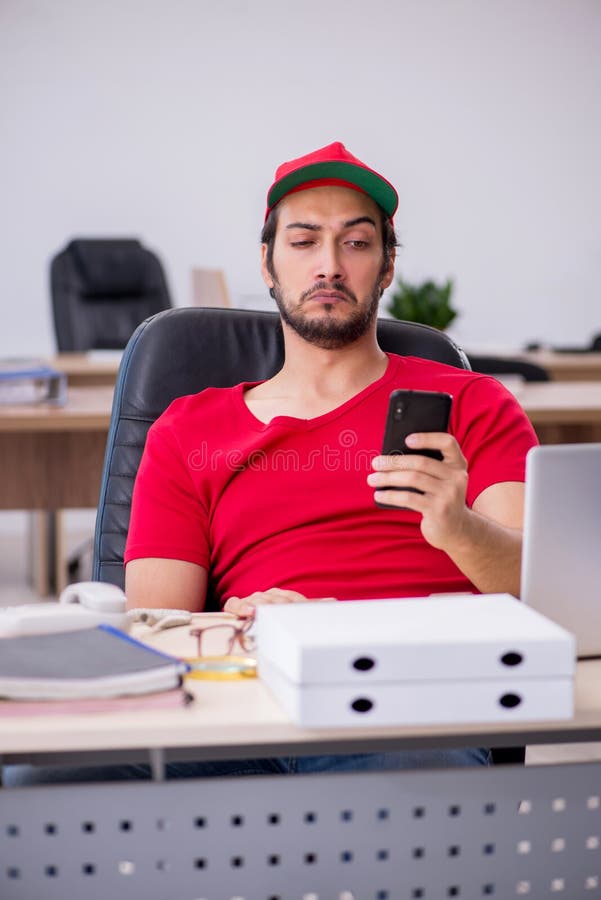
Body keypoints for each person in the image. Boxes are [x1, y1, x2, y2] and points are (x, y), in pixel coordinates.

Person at [4, 143, 537, 787]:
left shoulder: (473, 403)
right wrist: (243, 622)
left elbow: (537, 596)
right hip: (237, 705)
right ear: (268, 261)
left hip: (403, 707)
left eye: (357, 243)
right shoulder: (187, 429)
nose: (329, 266)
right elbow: (156, 627)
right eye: (305, 240)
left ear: (388, 264)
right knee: (46, 788)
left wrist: (457, 528)